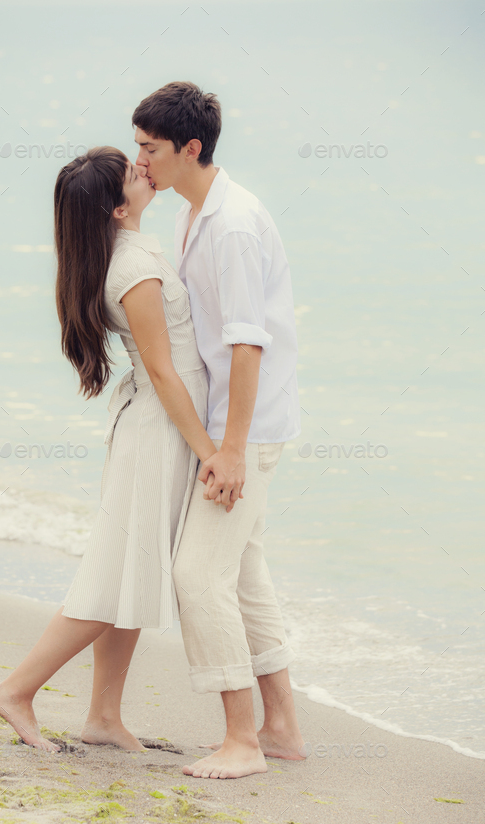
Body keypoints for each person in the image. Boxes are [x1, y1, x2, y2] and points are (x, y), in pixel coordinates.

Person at [0, 145, 219, 752]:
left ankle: (104, 717)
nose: (144, 168)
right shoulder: (132, 270)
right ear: (116, 210)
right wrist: (211, 451)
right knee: (111, 579)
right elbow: (166, 374)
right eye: (133, 172)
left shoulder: (127, 251)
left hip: (154, 426)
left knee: (132, 576)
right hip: (159, 432)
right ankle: (16, 690)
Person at [133, 81, 307, 778]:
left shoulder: (231, 223)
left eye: (151, 149)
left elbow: (246, 342)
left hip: (250, 428)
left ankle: (242, 740)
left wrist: (229, 448)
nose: (140, 160)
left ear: (190, 148)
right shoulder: (193, 208)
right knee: (242, 573)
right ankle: (285, 726)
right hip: (240, 423)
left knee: (197, 574)